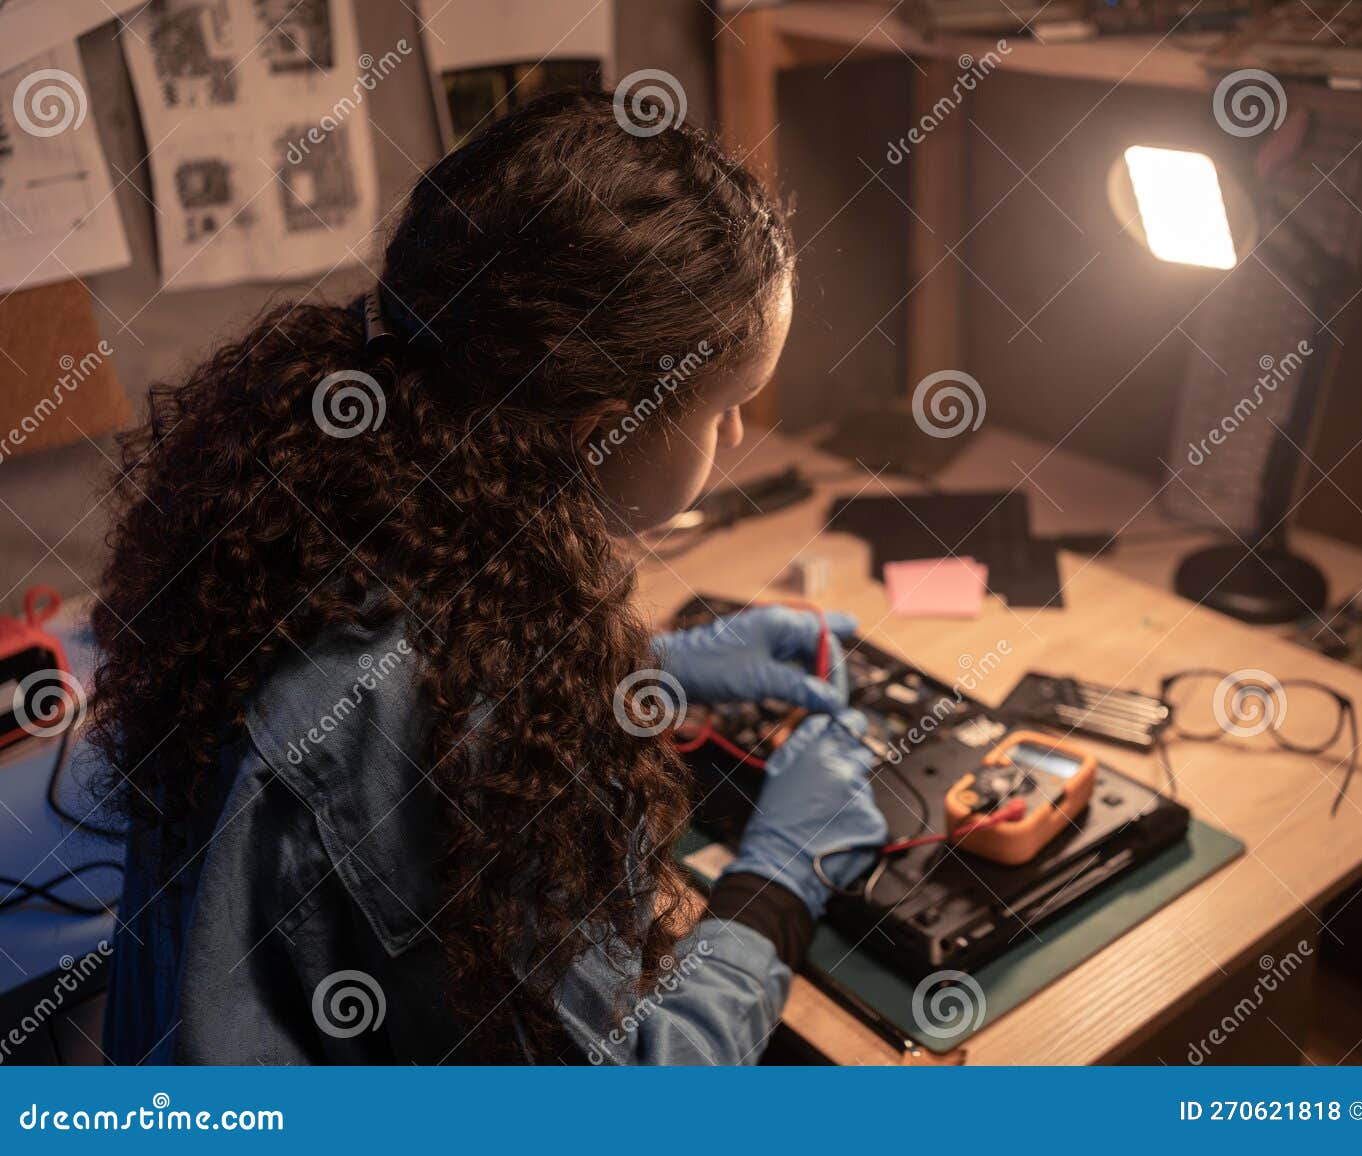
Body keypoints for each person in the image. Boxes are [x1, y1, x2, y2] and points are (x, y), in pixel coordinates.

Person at [91, 90, 887, 1064]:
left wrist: (650, 667)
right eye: (728, 407)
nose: (735, 439)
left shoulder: (319, 489)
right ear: (604, 431)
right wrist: (779, 882)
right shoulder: (470, 723)